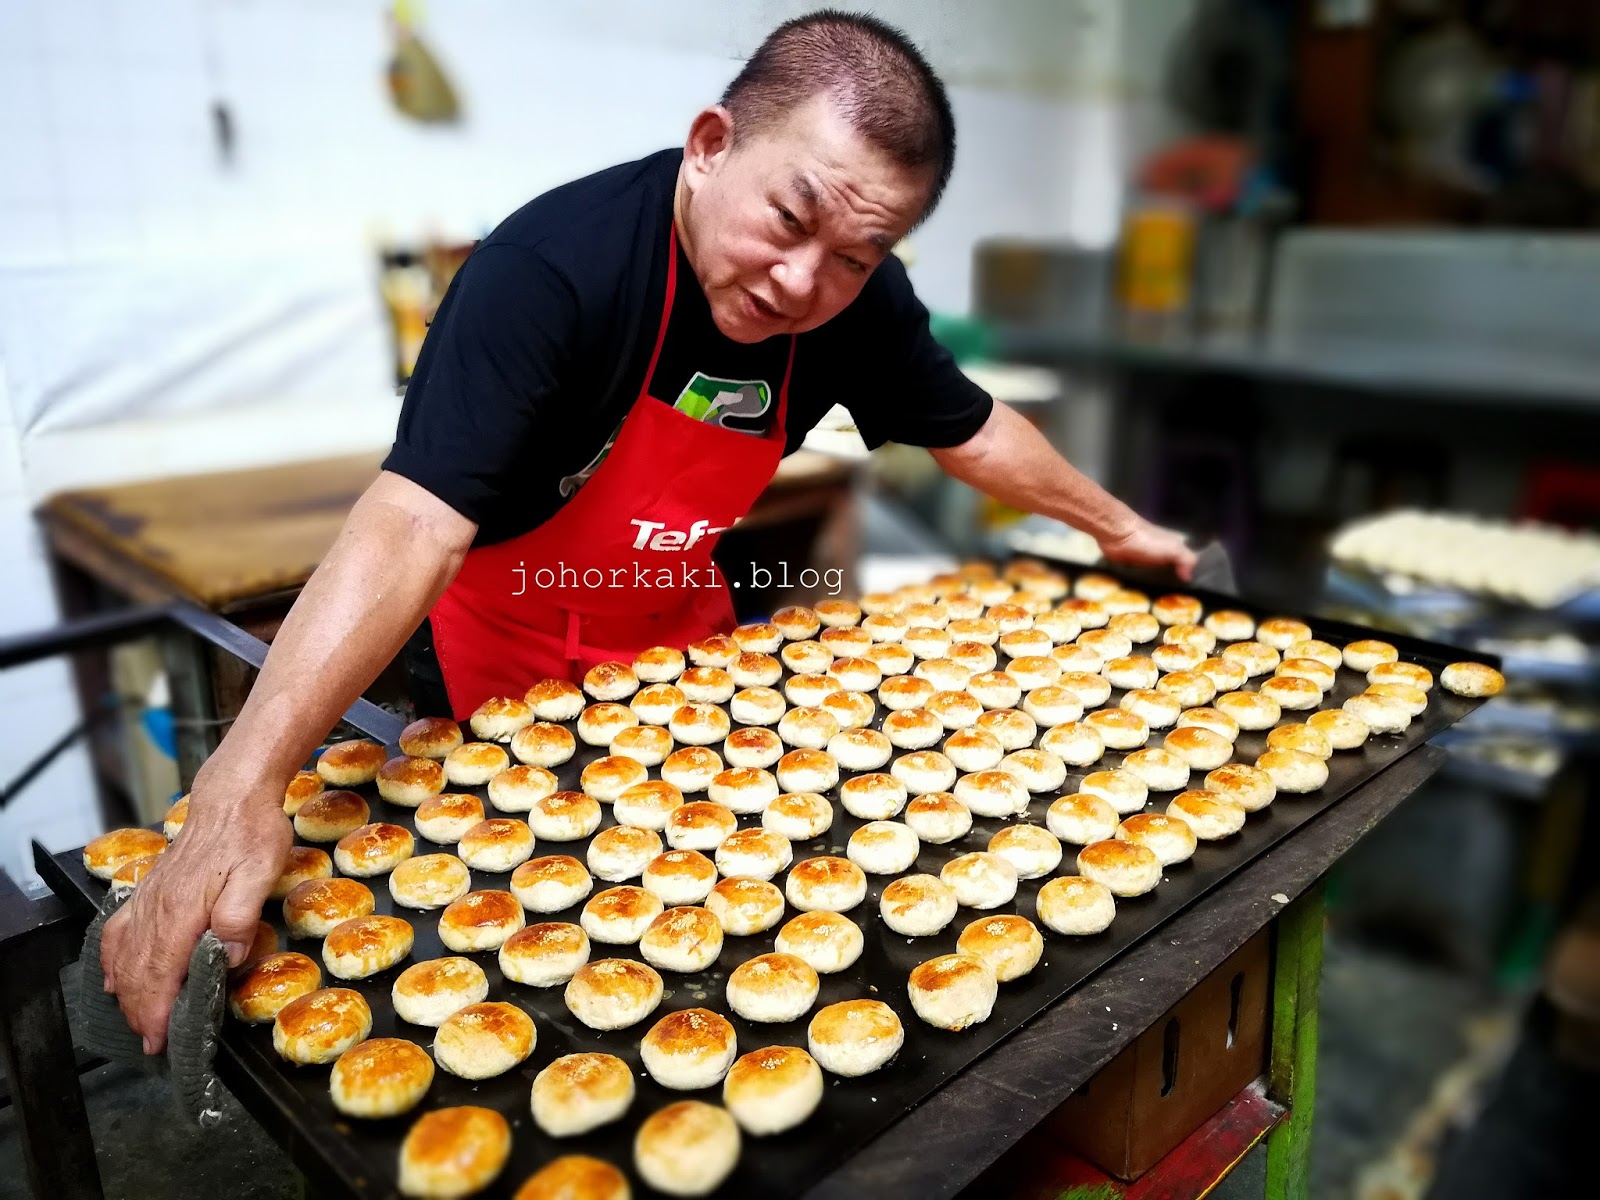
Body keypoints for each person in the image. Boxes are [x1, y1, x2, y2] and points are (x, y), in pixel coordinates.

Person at [102, 10, 1194, 1052]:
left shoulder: (855, 300)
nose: (803, 282)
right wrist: (239, 790)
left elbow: (971, 430)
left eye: (857, 255)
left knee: (722, 941)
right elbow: (412, 520)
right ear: (711, 145)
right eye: (789, 219)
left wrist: (1120, 528)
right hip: (516, 655)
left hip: (684, 641)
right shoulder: (551, 270)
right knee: (545, 945)